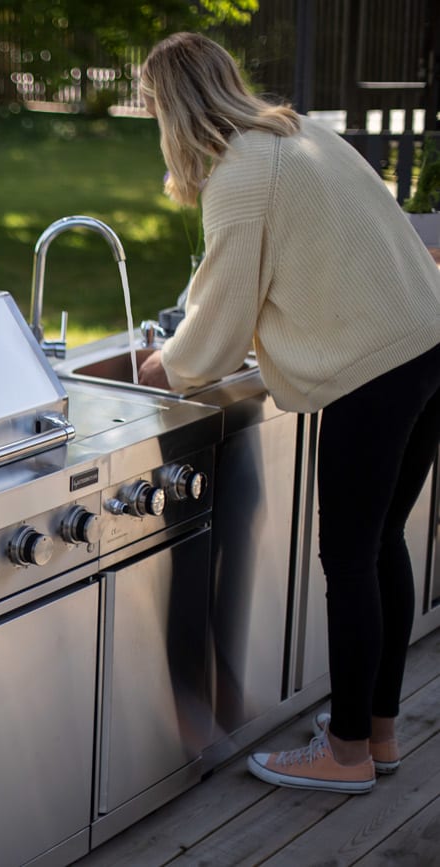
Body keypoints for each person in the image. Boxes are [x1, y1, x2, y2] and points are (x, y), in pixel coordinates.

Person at [136, 32, 440, 794]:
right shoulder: (297, 132)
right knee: (379, 549)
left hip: (373, 369)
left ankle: (342, 752)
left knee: (349, 560)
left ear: (169, 110)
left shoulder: (239, 175)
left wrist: (162, 367)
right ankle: (378, 731)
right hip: (428, 343)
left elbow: (216, 320)